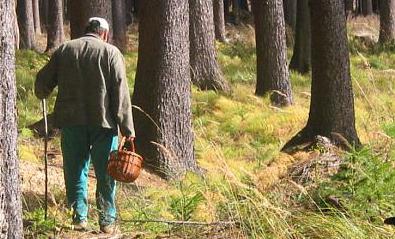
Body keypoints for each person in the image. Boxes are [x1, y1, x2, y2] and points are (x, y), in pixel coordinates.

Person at [35, 17, 135, 234]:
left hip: (72, 122)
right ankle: (107, 222)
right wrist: (128, 129)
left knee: (75, 171)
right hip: (104, 125)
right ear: (105, 34)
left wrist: (41, 91)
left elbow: (42, 83)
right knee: (106, 173)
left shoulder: (65, 50)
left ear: (87, 30)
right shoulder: (111, 53)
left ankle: (79, 218)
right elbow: (121, 93)